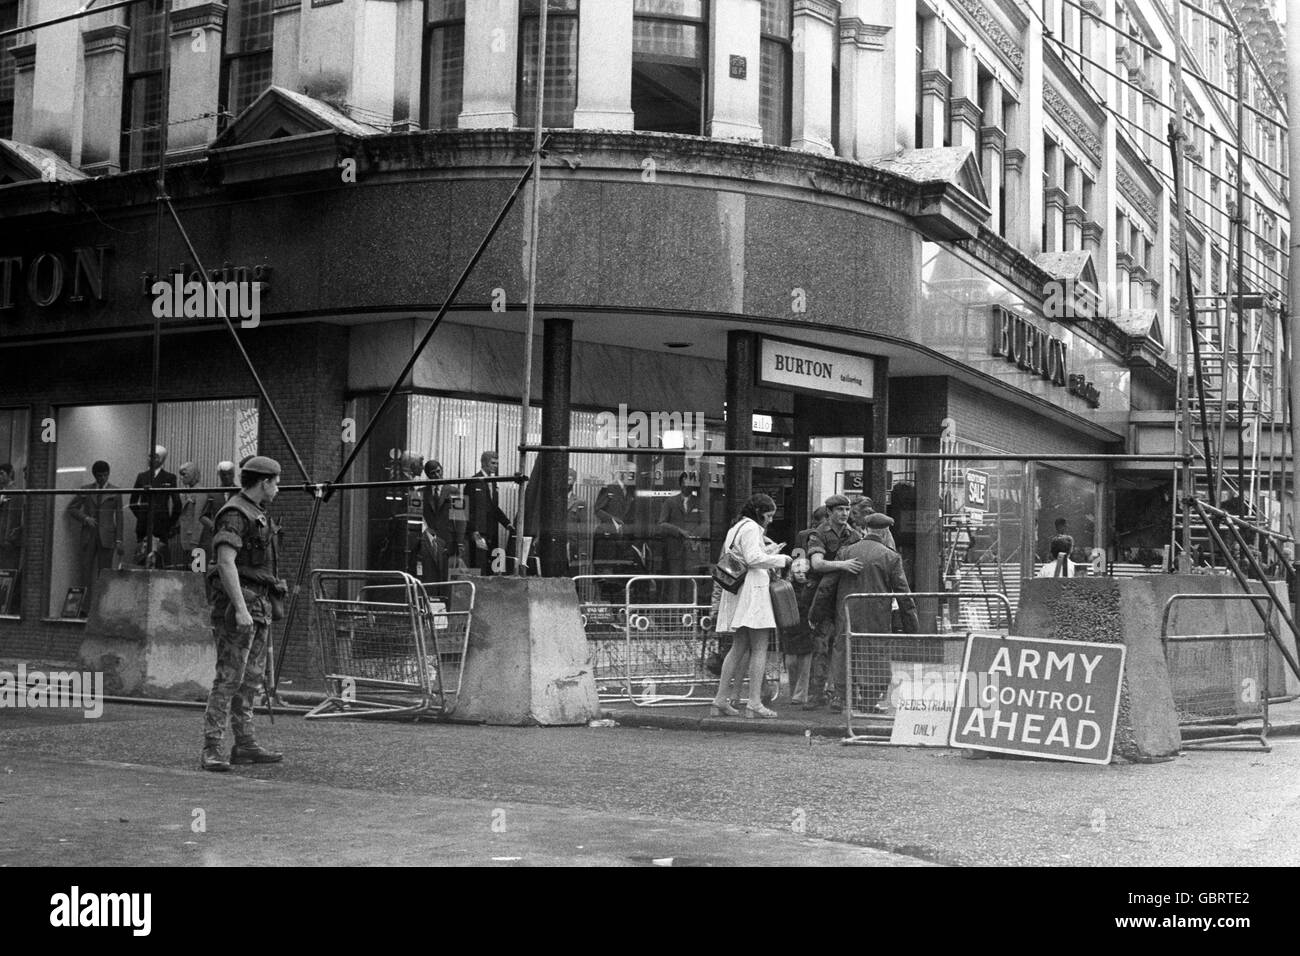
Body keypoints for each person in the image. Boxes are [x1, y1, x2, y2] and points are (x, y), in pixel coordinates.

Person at [200, 456, 287, 772]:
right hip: (241, 606)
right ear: (264, 482)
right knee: (229, 677)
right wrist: (239, 608)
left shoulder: (256, 512)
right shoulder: (236, 513)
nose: (278, 487)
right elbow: (225, 562)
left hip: (258, 605)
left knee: (250, 679)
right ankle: (212, 747)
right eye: (275, 481)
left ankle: (245, 743)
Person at [709, 493, 791, 720]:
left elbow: (744, 558)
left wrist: (768, 553)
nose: (771, 520)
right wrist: (782, 559)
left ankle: (719, 700)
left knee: (738, 647)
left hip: (739, 593)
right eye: (769, 515)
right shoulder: (752, 528)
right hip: (753, 594)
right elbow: (754, 559)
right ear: (759, 513)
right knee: (760, 647)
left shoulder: (735, 528)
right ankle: (754, 702)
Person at [835, 513, 919, 712]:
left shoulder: (845, 552)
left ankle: (843, 698)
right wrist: (912, 627)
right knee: (875, 656)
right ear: (885, 531)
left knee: (845, 652)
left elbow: (828, 586)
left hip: (846, 612)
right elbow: (903, 594)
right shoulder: (890, 556)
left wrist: (817, 613)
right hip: (876, 615)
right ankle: (868, 701)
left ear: (866, 529)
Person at [804, 494, 863, 710]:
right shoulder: (818, 534)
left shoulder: (854, 535)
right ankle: (815, 694)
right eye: (839, 510)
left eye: (847, 510)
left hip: (844, 595)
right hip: (823, 597)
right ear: (829, 513)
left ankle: (840, 694)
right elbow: (817, 564)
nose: (844, 514)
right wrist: (842, 564)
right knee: (821, 644)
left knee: (843, 645)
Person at [67, 461, 123, 606]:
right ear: (95, 475)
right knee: (85, 572)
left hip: (107, 536)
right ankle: (84, 607)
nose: (103, 478)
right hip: (89, 534)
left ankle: (102, 605)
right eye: (100, 476)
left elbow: (120, 517)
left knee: (104, 572)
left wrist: (119, 540)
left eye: (105, 475)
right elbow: (71, 508)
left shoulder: (115, 491)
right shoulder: (86, 490)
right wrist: (85, 518)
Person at [657, 472, 707, 604]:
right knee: (675, 584)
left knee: (692, 584)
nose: (688, 486)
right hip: (675, 550)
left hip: (692, 549)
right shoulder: (670, 501)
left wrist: (694, 535)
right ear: (680, 484)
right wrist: (679, 531)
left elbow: (705, 524)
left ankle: (691, 615)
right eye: (685, 483)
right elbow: (662, 524)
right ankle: (675, 617)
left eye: (691, 483)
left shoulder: (699, 502)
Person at [129, 445, 181, 562]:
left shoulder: (169, 478)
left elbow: (177, 504)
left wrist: (169, 523)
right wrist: (142, 514)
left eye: (155, 457)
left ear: (162, 459)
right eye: (149, 456)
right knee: (141, 558)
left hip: (161, 526)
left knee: (160, 559)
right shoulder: (142, 476)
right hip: (143, 526)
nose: (151, 459)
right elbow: (133, 502)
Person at [465, 450, 513, 574]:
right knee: (478, 565)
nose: (496, 466)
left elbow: (493, 508)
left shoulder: (493, 483)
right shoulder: (473, 482)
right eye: (493, 463)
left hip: (491, 531)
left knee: (492, 567)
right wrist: (473, 531)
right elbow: (467, 509)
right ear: (484, 463)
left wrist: (507, 523)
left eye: (497, 463)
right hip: (479, 532)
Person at [419, 459, 454, 583]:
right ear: (428, 475)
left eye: (438, 471)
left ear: (442, 469)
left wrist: (458, 542)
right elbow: (416, 517)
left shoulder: (454, 491)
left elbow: (460, 519)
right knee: (429, 575)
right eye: (433, 473)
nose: (437, 475)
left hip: (447, 540)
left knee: (446, 577)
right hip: (429, 541)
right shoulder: (420, 493)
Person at [176, 462, 215, 568]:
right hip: (187, 537)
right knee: (189, 570)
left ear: (192, 474)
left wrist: (195, 540)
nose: (181, 478)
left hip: (197, 540)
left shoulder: (200, 492)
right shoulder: (188, 491)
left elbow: (200, 518)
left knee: (198, 569)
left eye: (184, 474)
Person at [0, 462, 23, 572]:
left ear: (10, 474)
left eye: (2, 474)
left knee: (6, 569)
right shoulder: (3, 491)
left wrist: (8, 537)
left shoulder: (14, 491)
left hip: (7, 540)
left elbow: (13, 516)